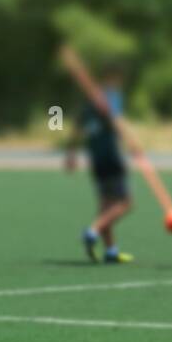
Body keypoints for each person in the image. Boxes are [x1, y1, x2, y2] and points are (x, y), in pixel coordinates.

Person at [66, 66, 134, 262]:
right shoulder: (110, 98)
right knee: (125, 203)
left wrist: (71, 154)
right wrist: (132, 142)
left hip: (96, 161)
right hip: (111, 158)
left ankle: (111, 250)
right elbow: (115, 121)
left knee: (106, 206)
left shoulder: (86, 106)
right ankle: (92, 230)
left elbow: (75, 131)